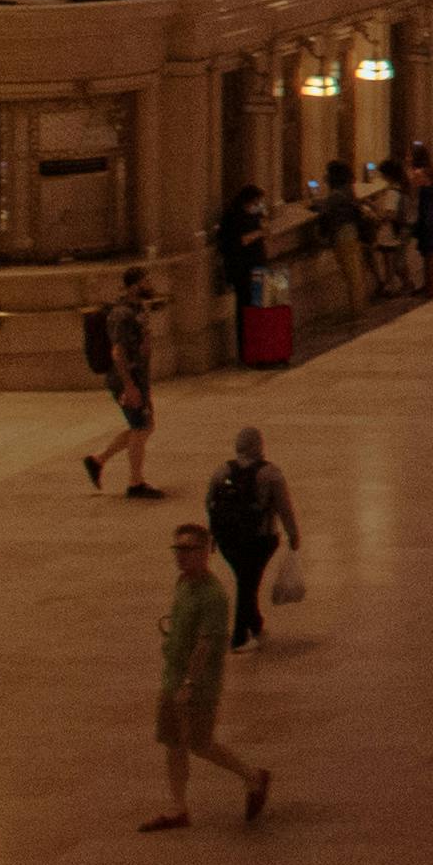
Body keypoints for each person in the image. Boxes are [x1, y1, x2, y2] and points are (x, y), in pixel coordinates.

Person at [144, 519, 272, 829]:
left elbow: (206, 643)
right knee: (173, 741)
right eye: (178, 548)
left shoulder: (213, 596)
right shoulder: (183, 584)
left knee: (200, 743)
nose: (181, 555)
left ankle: (252, 777)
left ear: (206, 551)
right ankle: (178, 807)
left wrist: (190, 682)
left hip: (197, 684)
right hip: (173, 676)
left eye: (189, 549)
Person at [206, 426, 302, 643]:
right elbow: (284, 507)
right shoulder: (271, 473)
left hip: (228, 538)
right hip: (260, 539)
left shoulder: (222, 471)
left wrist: (213, 535)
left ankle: (254, 622)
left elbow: (210, 504)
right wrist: (293, 534)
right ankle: (240, 635)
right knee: (248, 581)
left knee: (246, 579)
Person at [80, 279, 161, 498]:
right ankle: (136, 482)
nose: (150, 285)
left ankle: (98, 460)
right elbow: (118, 351)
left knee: (146, 425)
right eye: (145, 280)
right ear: (134, 285)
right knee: (140, 427)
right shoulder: (121, 315)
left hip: (137, 379)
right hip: (126, 381)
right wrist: (129, 386)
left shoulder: (137, 311)